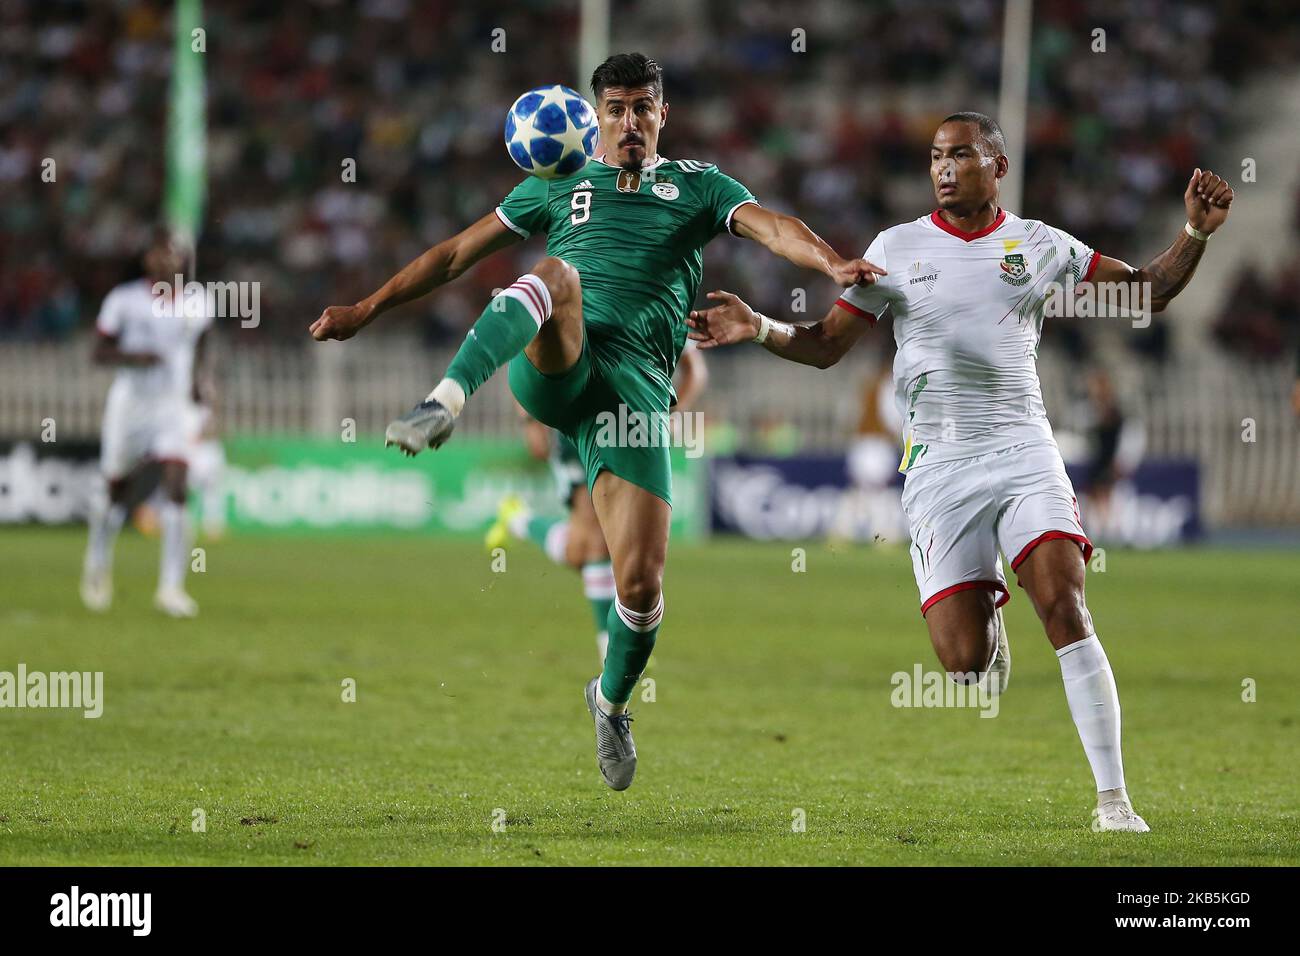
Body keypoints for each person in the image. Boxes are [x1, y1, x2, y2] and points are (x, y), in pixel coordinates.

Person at [310, 53, 880, 791]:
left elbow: (773, 228)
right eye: (616, 107)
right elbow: (454, 254)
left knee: (639, 585)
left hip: (637, 399)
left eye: (643, 106)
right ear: (596, 116)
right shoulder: (559, 182)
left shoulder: (700, 187)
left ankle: (609, 701)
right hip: (563, 365)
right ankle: (444, 400)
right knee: (556, 275)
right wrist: (366, 310)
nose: (630, 120)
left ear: (662, 114)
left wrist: (830, 264)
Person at [685, 112, 1234, 831]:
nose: (944, 168)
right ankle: (985, 625)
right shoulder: (897, 247)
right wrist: (759, 326)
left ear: (997, 166)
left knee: (1066, 608)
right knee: (964, 664)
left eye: (961, 155)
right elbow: (825, 347)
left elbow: (1144, 293)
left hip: (1023, 451)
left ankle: (1114, 802)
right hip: (940, 468)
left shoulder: (1038, 245)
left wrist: (1192, 233)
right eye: (937, 157)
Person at [487, 341, 707, 665]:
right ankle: (611, 651)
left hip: (634, 426)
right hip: (578, 421)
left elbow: (696, 370)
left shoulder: (662, 295)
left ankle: (518, 519)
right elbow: (527, 342)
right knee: (595, 545)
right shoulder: (584, 290)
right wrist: (529, 419)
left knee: (584, 548)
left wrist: (674, 413)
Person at [82, 227, 211, 618]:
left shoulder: (198, 301)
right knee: (116, 488)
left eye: (176, 252)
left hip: (172, 406)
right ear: (148, 259)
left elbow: (202, 344)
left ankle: (171, 587)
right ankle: (97, 562)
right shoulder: (124, 300)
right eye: (162, 252)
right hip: (131, 405)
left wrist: (197, 384)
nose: (170, 258)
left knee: (176, 485)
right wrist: (134, 357)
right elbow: (98, 351)